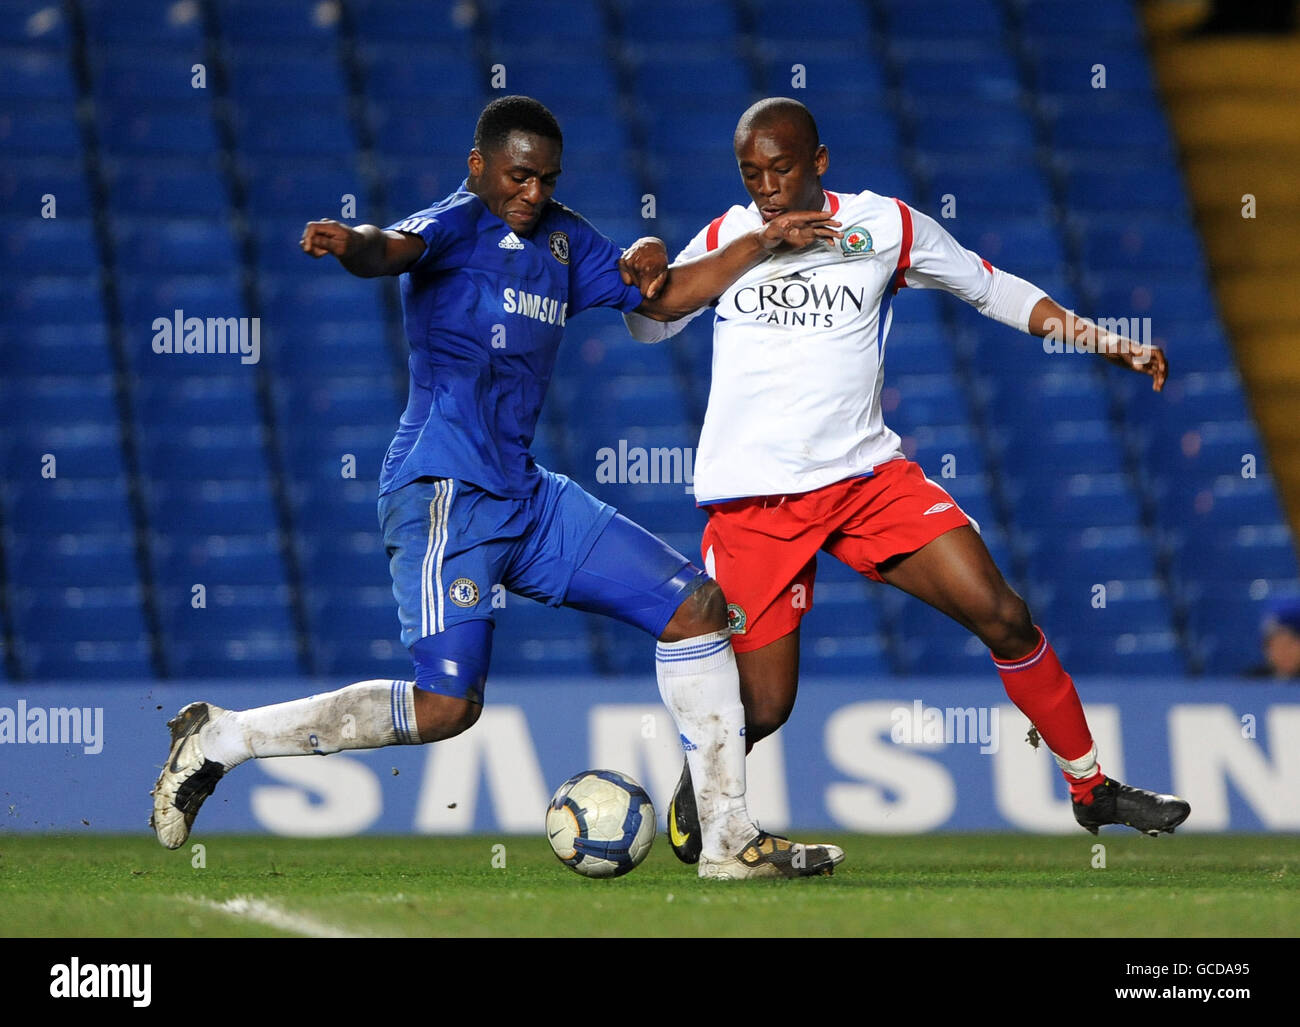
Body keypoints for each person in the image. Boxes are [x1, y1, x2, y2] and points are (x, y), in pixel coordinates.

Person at [150, 95, 846, 880]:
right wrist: (352, 244)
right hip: (445, 490)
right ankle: (222, 737)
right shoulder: (453, 225)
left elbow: (664, 295)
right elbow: (391, 248)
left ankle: (725, 836)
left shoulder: (562, 238)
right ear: (478, 165)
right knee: (447, 707)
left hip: (528, 494)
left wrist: (754, 242)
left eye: (546, 179)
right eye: (518, 176)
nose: (532, 193)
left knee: (696, 608)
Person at [620, 97, 1192, 862]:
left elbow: (991, 287)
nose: (767, 185)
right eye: (751, 173)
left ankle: (1091, 787)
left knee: (1003, 613)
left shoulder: (886, 226)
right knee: (765, 703)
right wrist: (650, 265)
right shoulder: (730, 235)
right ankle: (710, 794)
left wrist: (1101, 339)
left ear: (819, 162)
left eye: (781, 168)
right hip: (756, 499)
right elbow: (649, 322)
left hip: (865, 479)